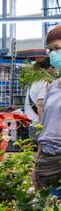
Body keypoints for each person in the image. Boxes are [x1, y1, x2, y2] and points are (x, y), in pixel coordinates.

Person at [32, 25, 61, 193]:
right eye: (50, 50)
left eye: (57, 48)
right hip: (46, 161)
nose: (53, 54)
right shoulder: (52, 88)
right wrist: (37, 164)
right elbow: (46, 127)